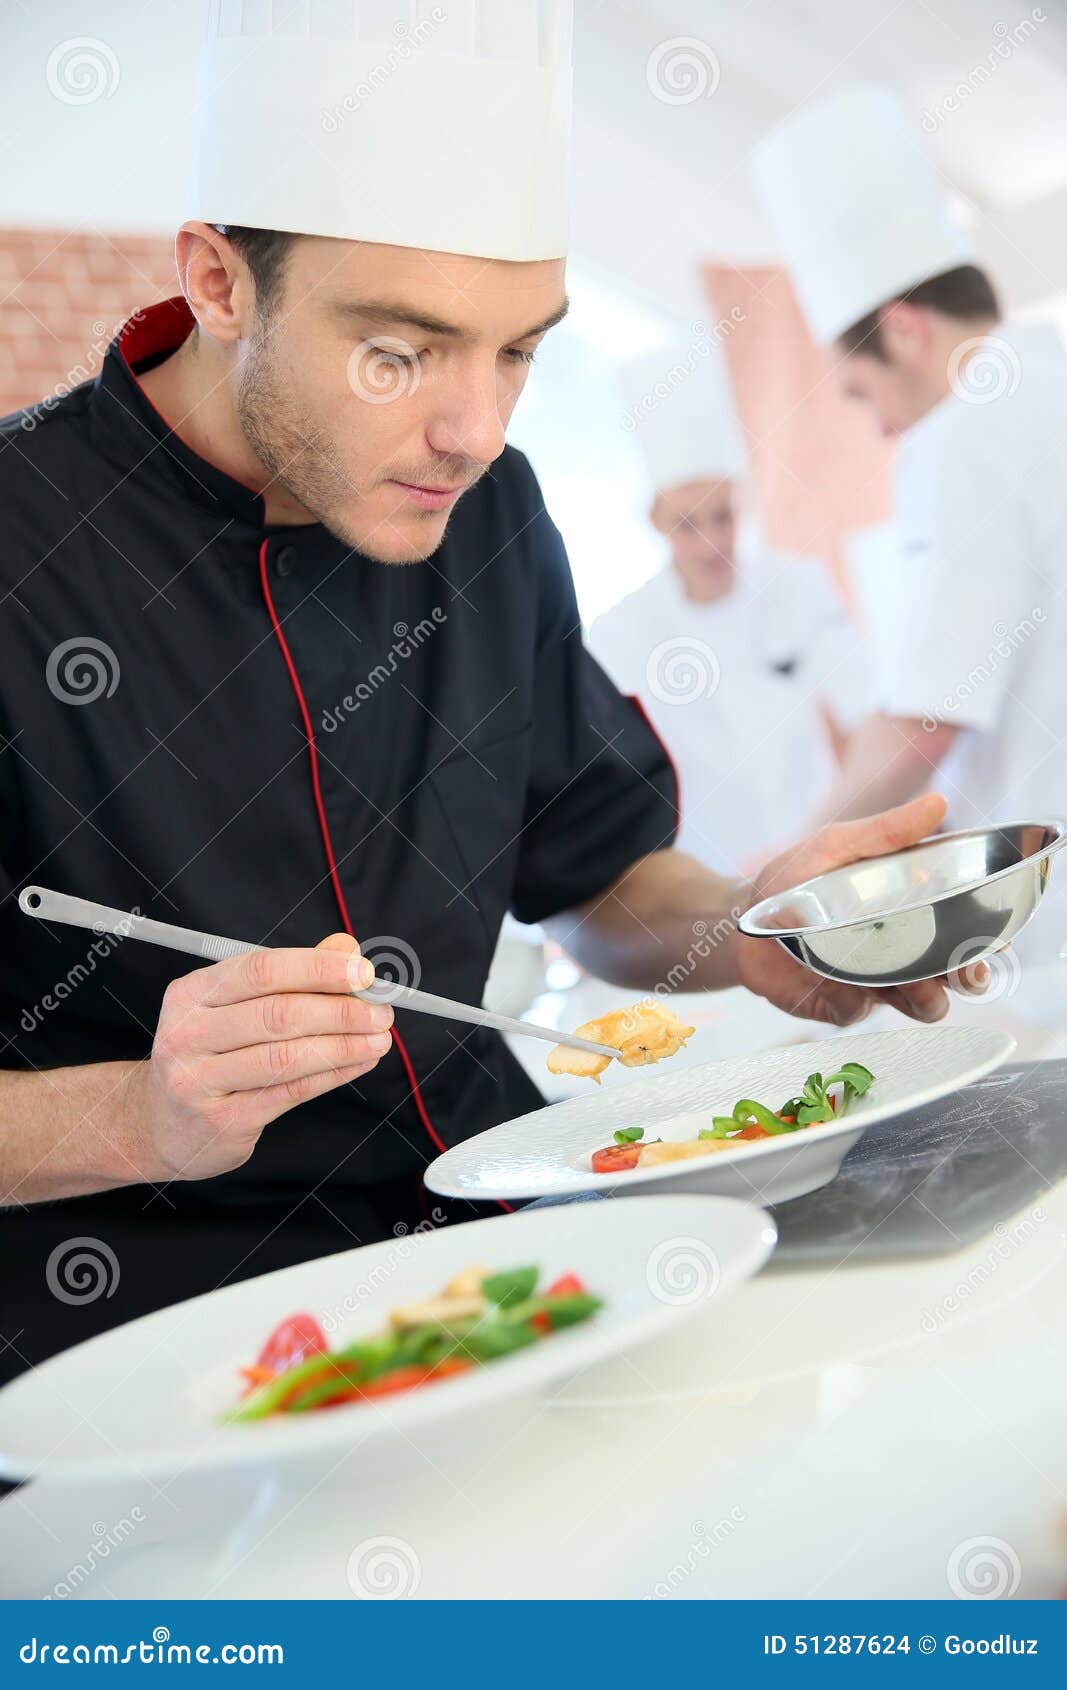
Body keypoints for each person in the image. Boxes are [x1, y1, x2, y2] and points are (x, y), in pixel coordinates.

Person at [0, 11, 951, 1379]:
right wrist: (137, 1118)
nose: (475, 427)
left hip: (514, 1252)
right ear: (218, 279)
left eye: (516, 350)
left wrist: (750, 925)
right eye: (399, 350)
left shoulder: (488, 508)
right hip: (156, 1348)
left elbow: (596, 869)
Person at [752, 85, 1067, 957]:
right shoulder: (1049, 385)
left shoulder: (963, 429)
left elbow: (921, 725)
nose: (882, 428)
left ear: (903, 328)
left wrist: (790, 867)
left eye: (862, 394)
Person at [590, 342, 868, 872]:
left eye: (724, 517)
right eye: (688, 525)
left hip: (813, 862)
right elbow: (608, 780)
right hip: (695, 884)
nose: (713, 543)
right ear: (654, 521)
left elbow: (865, 713)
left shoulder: (797, 588)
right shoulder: (618, 634)